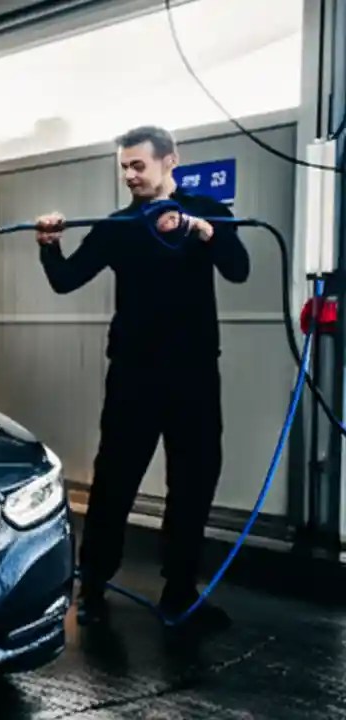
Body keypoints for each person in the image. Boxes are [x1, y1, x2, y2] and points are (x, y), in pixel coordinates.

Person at [35, 125, 249, 630]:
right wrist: (49, 245)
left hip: (195, 374)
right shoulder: (118, 227)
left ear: (170, 160)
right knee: (115, 479)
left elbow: (238, 268)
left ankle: (180, 591)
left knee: (193, 482)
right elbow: (66, 280)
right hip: (135, 374)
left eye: (138, 165)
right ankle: (93, 586)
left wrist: (203, 231)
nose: (130, 175)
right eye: (124, 167)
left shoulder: (207, 211)